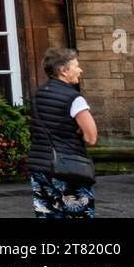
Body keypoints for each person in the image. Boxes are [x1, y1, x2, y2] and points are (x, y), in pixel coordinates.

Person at [27, 47, 99, 218]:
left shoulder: (37, 95)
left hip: (40, 166)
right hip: (68, 167)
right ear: (63, 71)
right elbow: (91, 137)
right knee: (79, 214)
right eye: (76, 66)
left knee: (48, 215)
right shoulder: (74, 98)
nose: (80, 70)